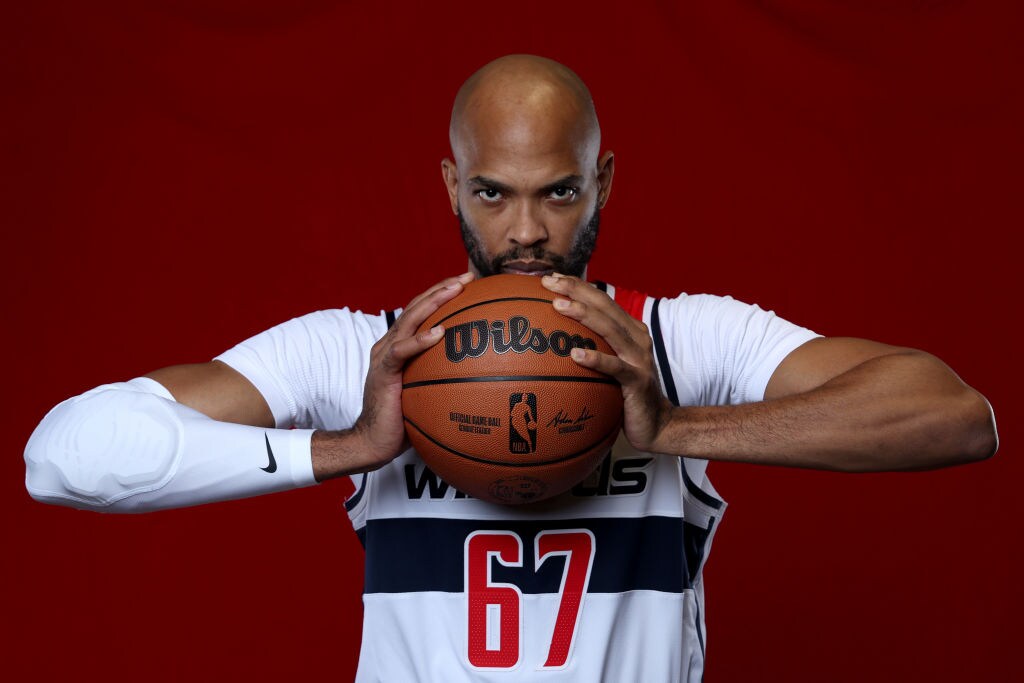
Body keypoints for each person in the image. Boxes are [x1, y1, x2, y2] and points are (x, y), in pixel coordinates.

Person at [23, 54, 997, 682]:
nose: (527, 230)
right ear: (451, 183)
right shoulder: (359, 352)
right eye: (492, 193)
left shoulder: (676, 342)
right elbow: (58, 458)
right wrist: (344, 445)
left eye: (559, 192)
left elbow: (954, 415)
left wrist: (675, 427)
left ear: (602, 180)